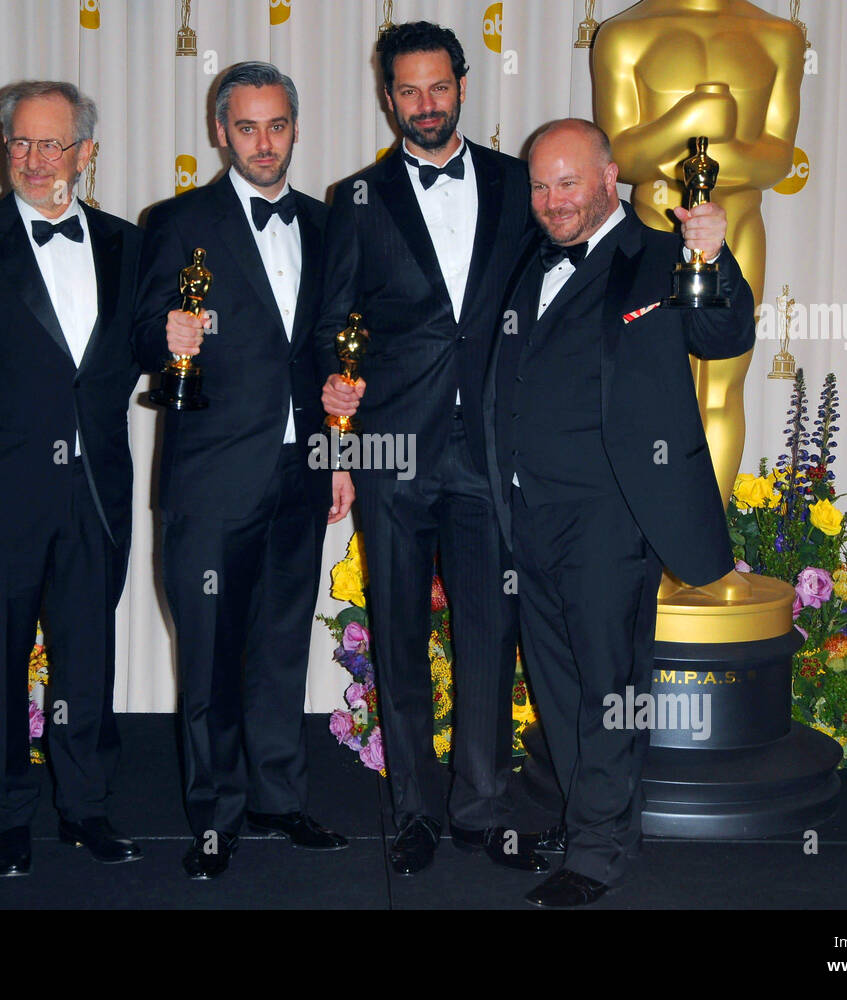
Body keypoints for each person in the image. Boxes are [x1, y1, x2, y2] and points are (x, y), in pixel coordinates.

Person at [484, 119, 755, 907]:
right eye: (539, 185)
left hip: (612, 518)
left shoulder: (662, 258)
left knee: (609, 689)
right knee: (559, 684)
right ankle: (585, 820)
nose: (552, 200)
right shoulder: (526, 264)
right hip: (527, 513)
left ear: (609, 179)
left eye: (568, 182)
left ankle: (600, 853)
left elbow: (722, 329)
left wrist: (711, 253)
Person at [317, 21, 545, 877]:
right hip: (392, 452)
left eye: (438, 87)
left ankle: (481, 806)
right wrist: (337, 421)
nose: (424, 105)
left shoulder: (519, 183)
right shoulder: (356, 199)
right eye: (407, 91)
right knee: (398, 631)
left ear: (462, 84)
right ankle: (412, 809)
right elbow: (333, 326)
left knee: (491, 633)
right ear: (387, 98)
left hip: (490, 448)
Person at [0, 80, 150, 877]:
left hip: (97, 493)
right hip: (1, 493)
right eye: (20, 142)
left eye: (52, 144)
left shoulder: (129, 243)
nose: (34, 158)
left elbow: (143, 353)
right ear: (2, 147)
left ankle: (84, 808)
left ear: (86, 153)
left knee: (86, 659)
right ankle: (4, 812)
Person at [139, 61, 353, 880]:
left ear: (294, 128)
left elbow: (338, 346)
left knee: (278, 645)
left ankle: (279, 796)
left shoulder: (328, 223)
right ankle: (215, 818)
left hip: (302, 473)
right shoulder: (175, 220)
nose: (263, 143)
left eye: (277, 126)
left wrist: (337, 450)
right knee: (210, 654)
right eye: (247, 127)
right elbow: (137, 337)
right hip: (209, 480)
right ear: (219, 132)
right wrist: (167, 341)